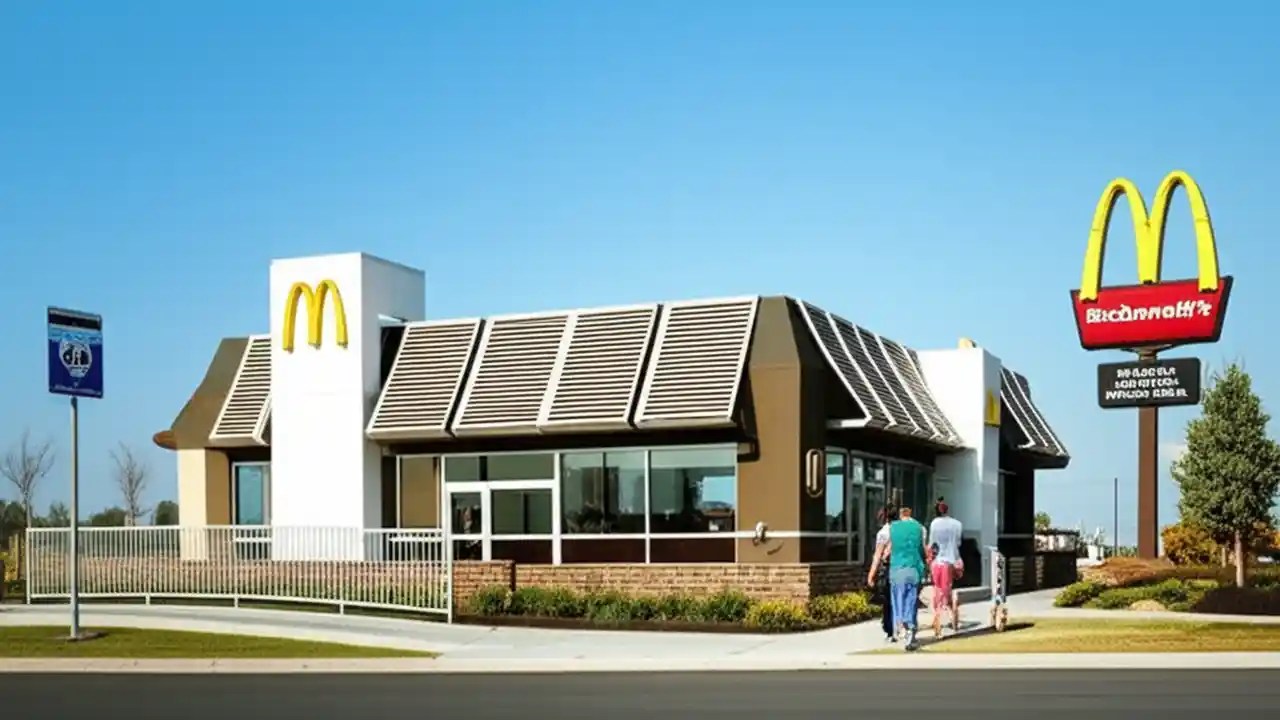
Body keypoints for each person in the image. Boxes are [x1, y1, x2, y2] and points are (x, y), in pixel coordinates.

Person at [867, 505, 927, 651]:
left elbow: (880, 555)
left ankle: (899, 627)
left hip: (895, 570)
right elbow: (922, 551)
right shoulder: (918, 528)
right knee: (911, 600)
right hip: (913, 569)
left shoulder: (888, 531)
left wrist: (871, 575)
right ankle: (909, 628)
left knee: (896, 600)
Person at [927, 498, 964, 636]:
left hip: (938, 562)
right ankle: (952, 616)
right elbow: (958, 543)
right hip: (952, 562)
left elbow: (932, 544)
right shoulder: (957, 524)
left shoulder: (934, 523)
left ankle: (937, 618)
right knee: (948, 589)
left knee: (938, 590)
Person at [870, 503, 897, 642]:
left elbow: (877, 555)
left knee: (888, 601)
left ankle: (890, 631)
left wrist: (871, 575)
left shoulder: (883, 533)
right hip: (902, 567)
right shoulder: (901, 530)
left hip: (889, 568)